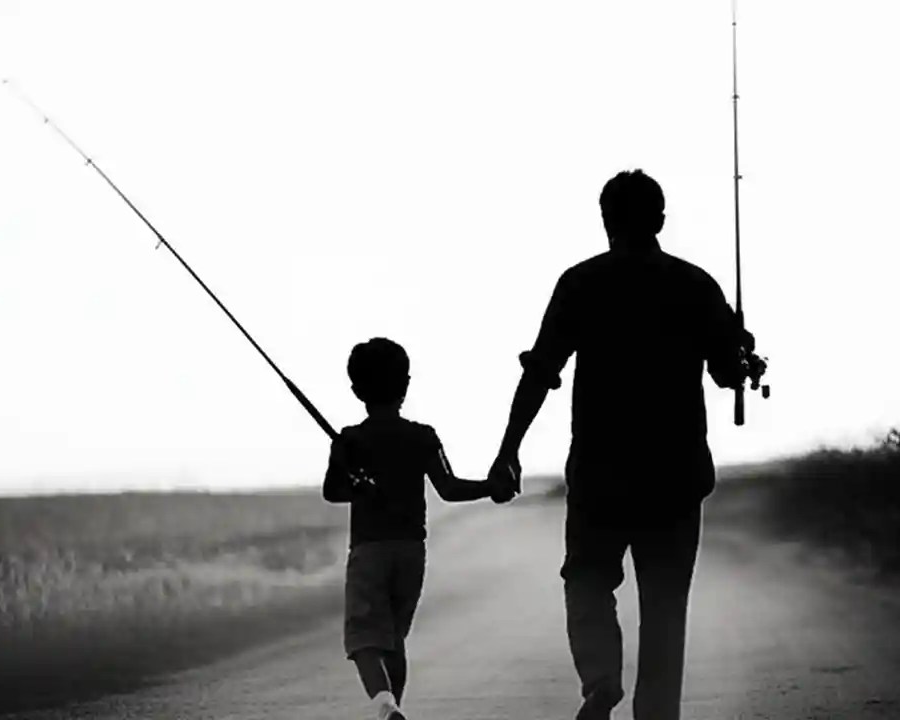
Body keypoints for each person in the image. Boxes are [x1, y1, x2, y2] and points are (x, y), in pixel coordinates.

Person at [488, 169, 756, 720]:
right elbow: (729, 376)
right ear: (659, 219)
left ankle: (600, 677)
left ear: (606, 219)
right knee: (664, 611)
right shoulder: (695, 285)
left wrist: (508, 448)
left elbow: (540, 372)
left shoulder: (581, 283)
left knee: (586, 581)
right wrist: (740, 346)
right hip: (675, 480)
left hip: (599, 476)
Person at [323, 337, 514, 720]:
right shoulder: (422, 436)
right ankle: (395, 709)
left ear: (356, 389)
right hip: (412, 552)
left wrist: (355, 481)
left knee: (364, 641)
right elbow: (450, 488)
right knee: (394, 640)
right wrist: (490, 488)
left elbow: (332, 492)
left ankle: (384, 705)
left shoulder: (350, 440)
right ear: (406, 383)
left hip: (369, 552)